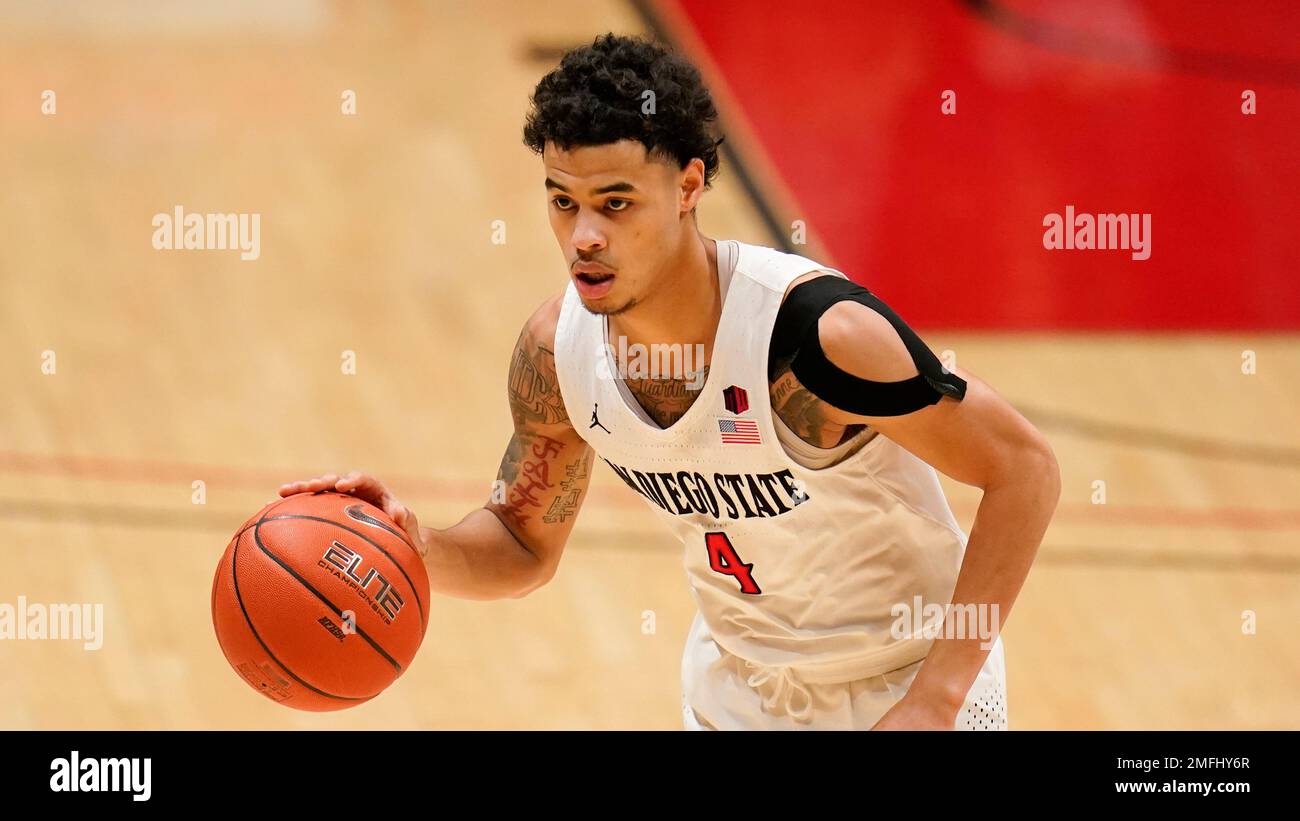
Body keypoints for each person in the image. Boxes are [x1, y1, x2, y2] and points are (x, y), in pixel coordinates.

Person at [280, 33, 1060, 730]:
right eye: (564, 202)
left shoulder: (815, 337)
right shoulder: (558, 353)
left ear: (689, 187)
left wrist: (938, 696)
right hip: (739, 693)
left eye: (615, 204)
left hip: (904, 685)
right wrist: (410, 547)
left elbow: (1024, 469)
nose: (583, 236)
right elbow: (523, 543)